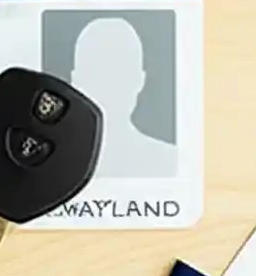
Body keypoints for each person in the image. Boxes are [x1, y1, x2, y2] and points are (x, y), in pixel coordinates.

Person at [70, 17, 177, 177]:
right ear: (75, 80)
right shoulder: (50, 166)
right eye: (97, 73)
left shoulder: (171, 162)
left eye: (120, 73)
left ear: (140, 80)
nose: (108, 87)